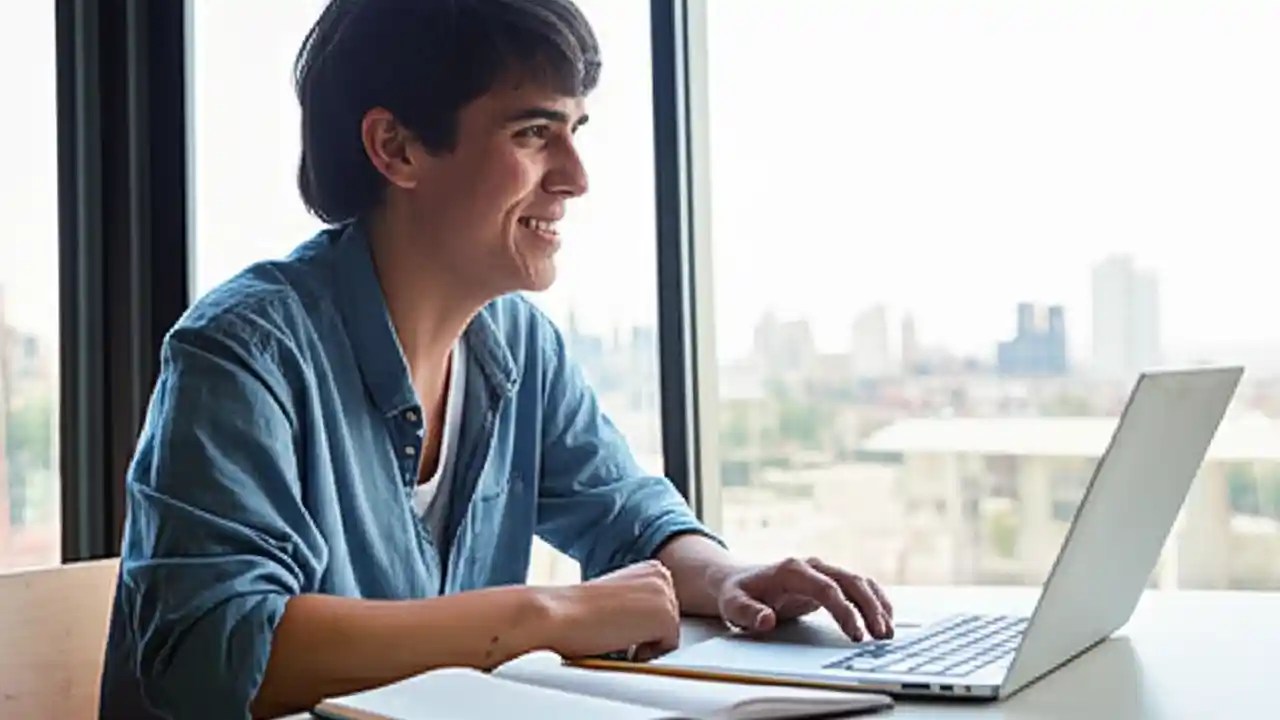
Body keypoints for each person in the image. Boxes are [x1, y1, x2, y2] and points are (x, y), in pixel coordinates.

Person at [98, 1, 894, 718]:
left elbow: (627, 516)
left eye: (576, 132)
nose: (576, 178)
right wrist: (539, 618)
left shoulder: (517, 344)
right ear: (396, 147)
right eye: (532, 133)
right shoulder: (243, 355)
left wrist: (724, 579)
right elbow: (211, 657)